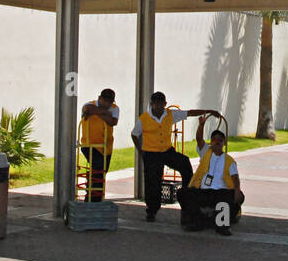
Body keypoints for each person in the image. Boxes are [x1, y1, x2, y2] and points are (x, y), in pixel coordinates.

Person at [130, 92, 212, 223]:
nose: (159, 108)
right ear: (151, 104)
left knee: (184, 163)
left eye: (161, 105)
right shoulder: (144, 118)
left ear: (165, 104)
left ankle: (188, 196)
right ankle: (151, 211)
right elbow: (134, 134)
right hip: (151, 154)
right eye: (156, 105)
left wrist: (208, 111)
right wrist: (141, 151)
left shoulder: (170, 114)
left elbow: (189, 113)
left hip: (167, 151)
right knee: (153, 183)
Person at [178, 117, 245, 235]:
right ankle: (197, 222)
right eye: (214, 139)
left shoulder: (229, 160)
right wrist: (201, 125)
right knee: (183, 193)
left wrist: (237, 190)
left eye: (220, 140)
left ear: (224, 143)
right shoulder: (206, 152)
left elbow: (235, 177)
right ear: (211, 142)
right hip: (203, 191)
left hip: (220, 191)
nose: (217, 142)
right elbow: (199, 139)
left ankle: (222, 226)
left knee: (232, 197)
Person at [79, 89, 119, 201]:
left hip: (106, 147)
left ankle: (96, 197)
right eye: (105, 101)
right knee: (97, 169)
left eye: (110, 102)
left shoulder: (115, 108)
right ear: (99, 98)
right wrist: (105, 113)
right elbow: (87, 109)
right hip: (89, 144)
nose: (107, 105)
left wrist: (97, 112)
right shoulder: (89, 104)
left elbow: (113, 121)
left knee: (102, 172)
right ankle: (92, 198)